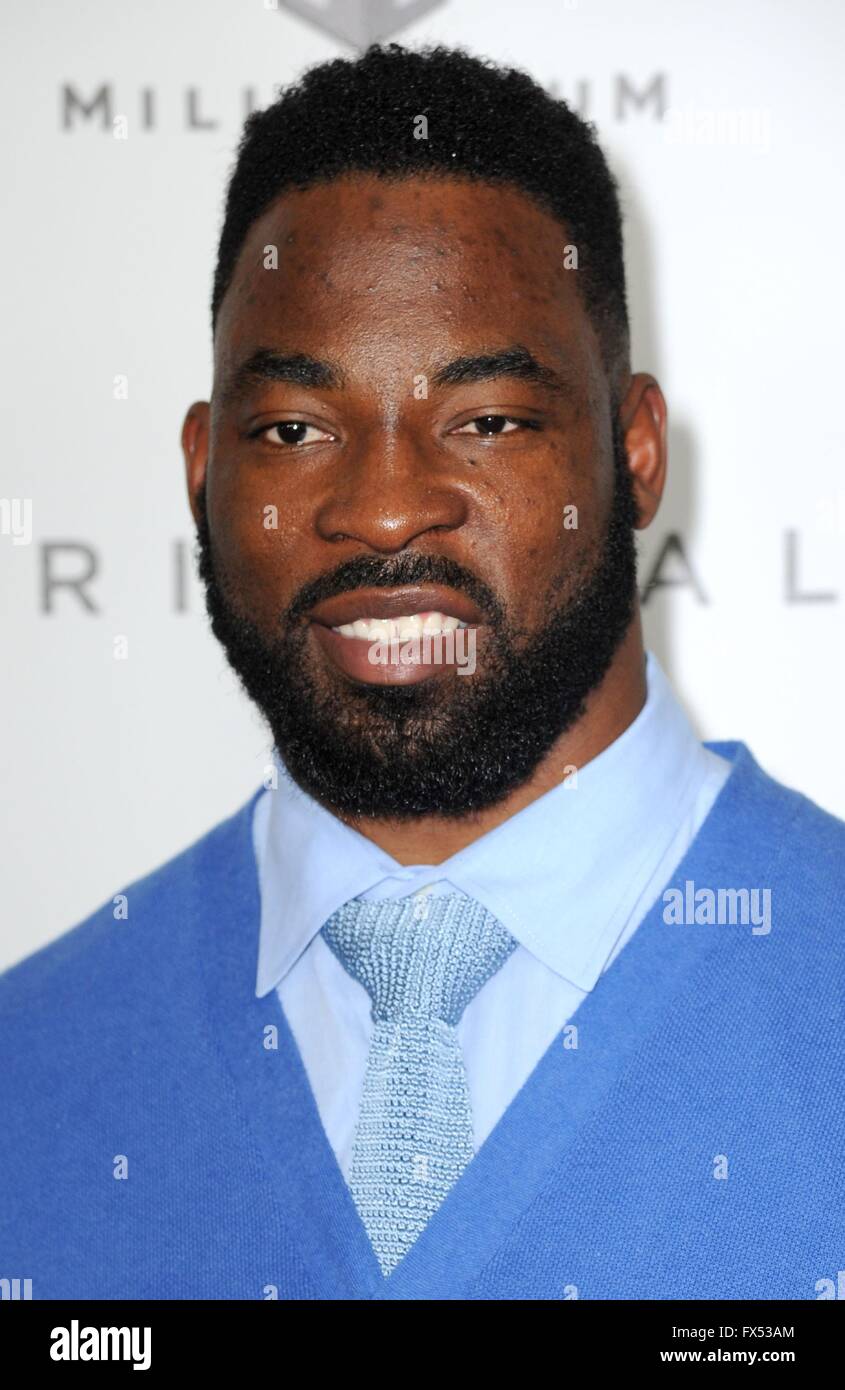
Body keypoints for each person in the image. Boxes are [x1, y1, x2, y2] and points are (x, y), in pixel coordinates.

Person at [1, 43, 842, 1302]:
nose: (385, 510)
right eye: (294, 429)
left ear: (636, 450)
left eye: (486, 419)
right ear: (201, 468)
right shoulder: (34, 1065)